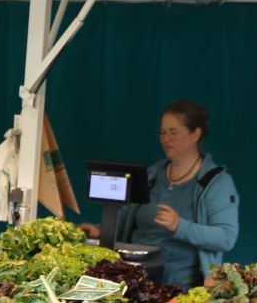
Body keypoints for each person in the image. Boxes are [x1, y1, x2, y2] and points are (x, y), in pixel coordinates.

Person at [84, 100, 239, 288]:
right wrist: (100, 232)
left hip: (181, 284)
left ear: (196, 134)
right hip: (133, 277)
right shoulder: (151, 174)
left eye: (173, 133)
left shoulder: (218, 183)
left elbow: (226, 237)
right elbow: (125, 218)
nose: (166, 139)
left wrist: (180, 226)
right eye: (163, 132)